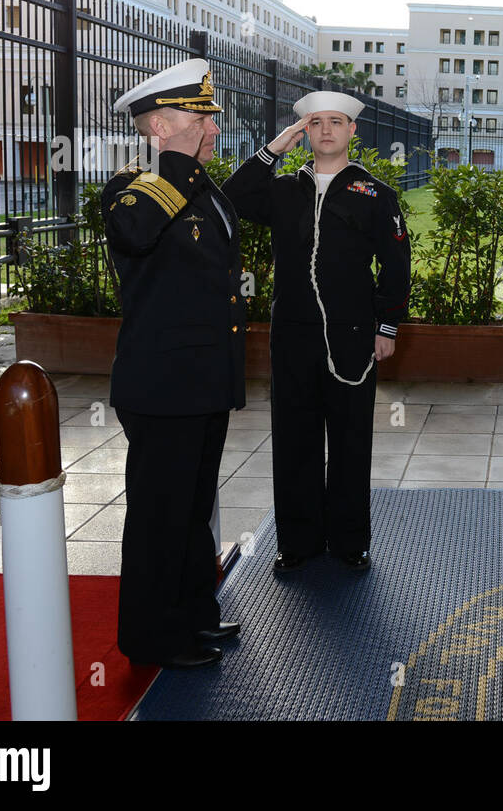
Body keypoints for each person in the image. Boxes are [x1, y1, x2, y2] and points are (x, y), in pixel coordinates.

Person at [222, 91, 410, 574]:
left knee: (350, 440)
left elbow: (395, 268)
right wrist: (274, 149)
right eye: (315, 122)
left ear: (352, 132)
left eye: (336, 122)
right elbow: (234, 197)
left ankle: (350, 541)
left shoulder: (374, 194)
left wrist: (386, 327)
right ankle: (299, 541)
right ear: (305, 131)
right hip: (293, 336)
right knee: (294, 438)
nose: (326, 130)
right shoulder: (283, 190)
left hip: (352, 336)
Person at [103, 58, 247, 668]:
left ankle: (194, 617)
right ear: (159, 124)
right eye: (200, 116)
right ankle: (151, 637)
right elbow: (135, 231)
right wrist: (175, 164)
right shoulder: (139, 186)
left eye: (211, 115)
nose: (213, 127)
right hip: (163, 386)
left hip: (203, 381)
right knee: (160, 516)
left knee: (191, 511)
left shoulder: (203, 185)